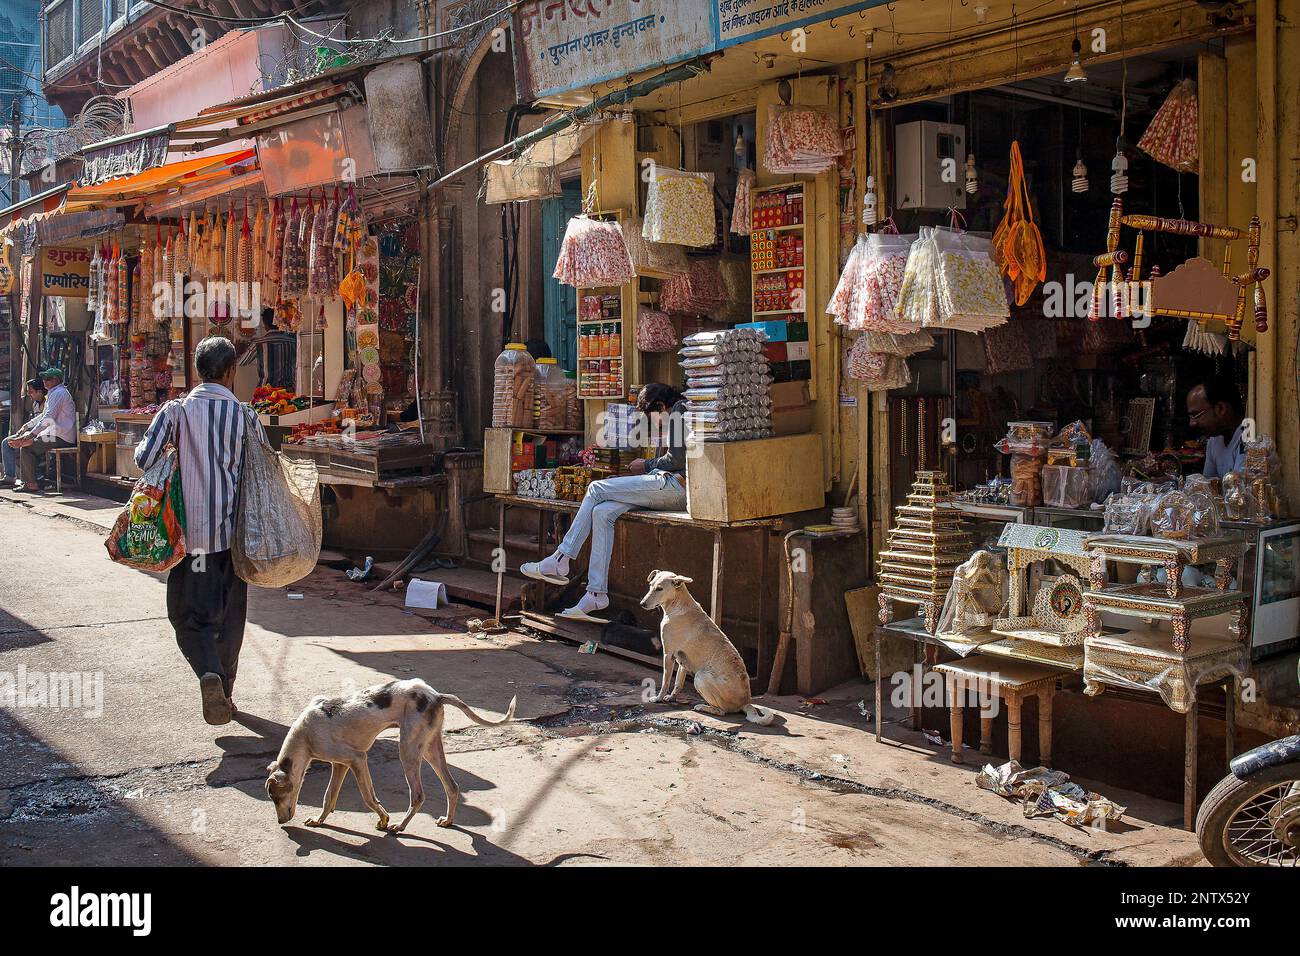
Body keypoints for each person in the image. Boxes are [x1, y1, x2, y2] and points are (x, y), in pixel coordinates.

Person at [135, 336, 268, 726]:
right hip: (233, 542)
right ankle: (225, 691)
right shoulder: (246, 416)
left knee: (188, 618)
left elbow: (144, 459)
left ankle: (209, 676)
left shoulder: (175, 412)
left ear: (197, 371)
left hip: (190, 541)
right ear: (230, 373)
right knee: (229, 619)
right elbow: (261, 470)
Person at [521, 383, 688, 622]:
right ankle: (596, 593)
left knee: (596, 488)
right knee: (602, 512)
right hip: (667, 485)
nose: (653, 423)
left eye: (651, 417)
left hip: (677, 486)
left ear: (660, 406)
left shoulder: (679, 409)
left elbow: (677, 459)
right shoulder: (675, 413)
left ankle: (561, 559)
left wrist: (646, 465)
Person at [14, 367, 76, 492]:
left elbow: (49, 417)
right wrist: (28, 428)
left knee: (26, 448)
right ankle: (34, 479)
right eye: (44, 379)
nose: (44, 381)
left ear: (57, 380)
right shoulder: (53, 393)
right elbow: (43, 416)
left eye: (48, 379)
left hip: (61, 436)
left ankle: (32, 484)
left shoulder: (59, 393)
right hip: (54, 434)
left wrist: (31, 435)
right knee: (20, 443)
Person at [1186, 377, 1246, 479]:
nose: (1192, 423)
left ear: (1221, 408)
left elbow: (1239, 488)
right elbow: (1207, 485)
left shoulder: (1249, 436)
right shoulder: (1214, 440)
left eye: (1196, 415)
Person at [1, 378, 47, 485]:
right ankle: (9, 476)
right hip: (32, 433)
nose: (29, 395)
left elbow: (44, 421)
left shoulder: (48, 403)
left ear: (39, 391)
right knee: (6, 442)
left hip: (44, 435)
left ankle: (32, 479)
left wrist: (29, 434)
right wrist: (24, 429)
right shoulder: (35, 404)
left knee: (25, 446)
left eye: (31, 392)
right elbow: (34, 421)